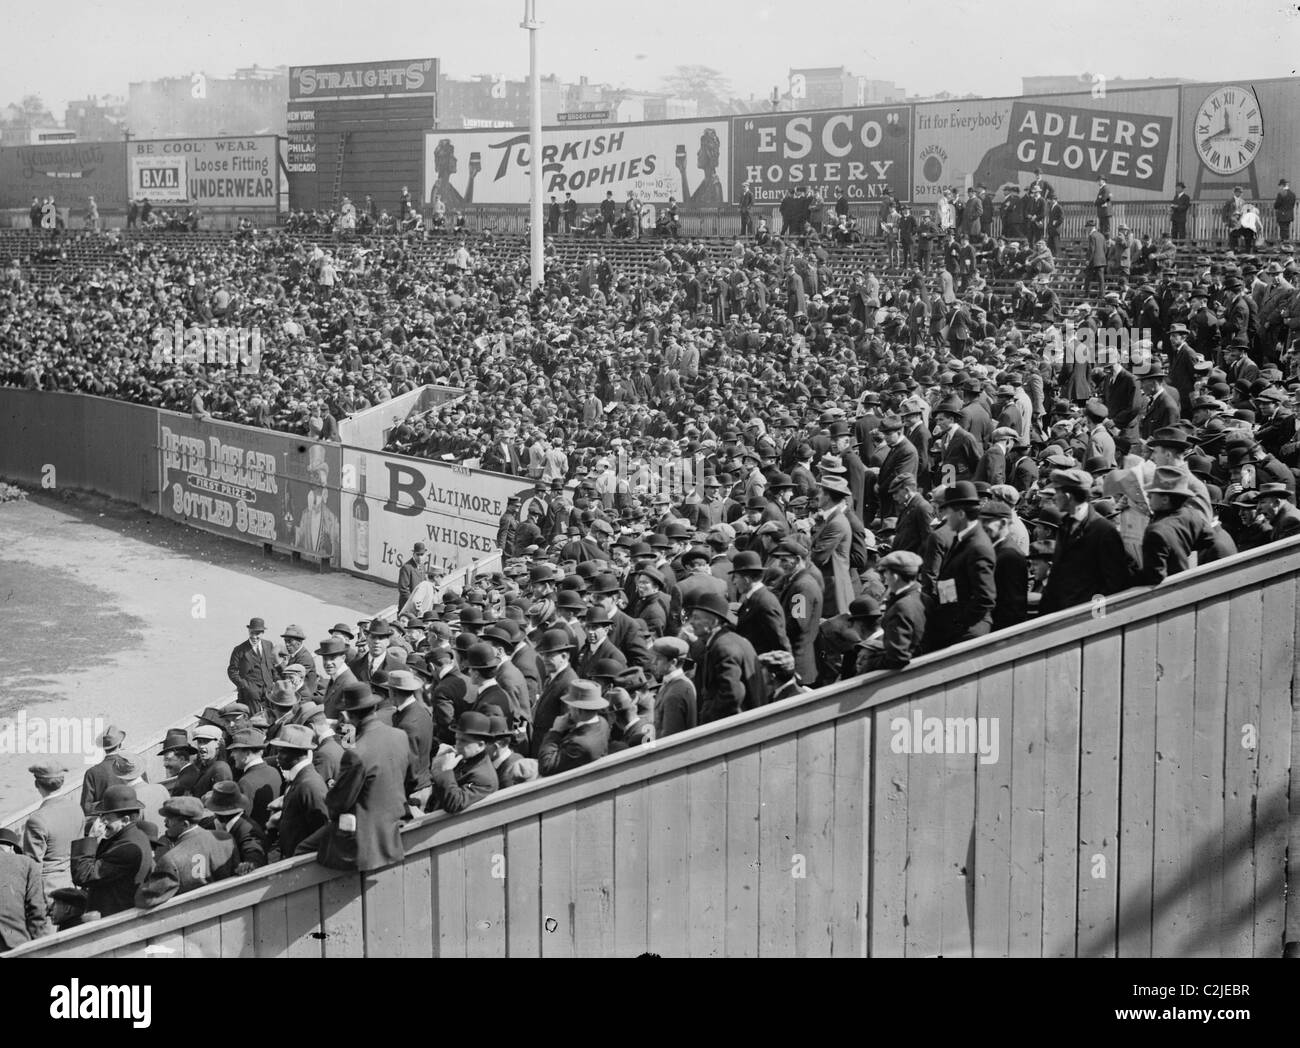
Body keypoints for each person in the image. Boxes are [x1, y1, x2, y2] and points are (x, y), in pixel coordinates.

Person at [314, 682, 415, 872]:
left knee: (302, 847)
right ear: (374, 707)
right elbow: (411, 777)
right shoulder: (399, 735)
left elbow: (337, 804)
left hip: (367, 843)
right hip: (394, 825)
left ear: (347, 715)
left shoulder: (356, 753)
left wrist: (334, 790)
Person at [1039, 468, 1132, 614]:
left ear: (1068, 496)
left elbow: (1114, 583)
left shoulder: (1103, 531)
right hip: (1061, 616)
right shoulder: (1066, 524)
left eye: (1057, 492)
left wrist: (1095, 619)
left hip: (1085, 621)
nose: (1054, 498)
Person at [922, 481, 996, 652]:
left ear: (961, 514)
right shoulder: (962, 537)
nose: (945, 516)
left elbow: (985, 598)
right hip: (953, 624)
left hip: (967, 632)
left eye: (948, 511)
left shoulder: (978, 546)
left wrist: (959, 623)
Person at [135, 797, 237, 908]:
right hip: (231, 907)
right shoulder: (225, 839)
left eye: (169, 819)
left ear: (185, 824)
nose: (165, 822)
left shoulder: (171, 859)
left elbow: (148, 899)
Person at [70, 785, 154, 917]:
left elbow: (82, 875)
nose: (102, 821)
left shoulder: (127, 849)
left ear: (125, 820)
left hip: (116, 920)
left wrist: (91, 838)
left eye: (107, 817)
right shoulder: (135, 836)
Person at [687, 592, 766, 722]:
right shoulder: (727, 640)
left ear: (713, 622)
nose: (691, 622)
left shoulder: (723, 647)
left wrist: (708, 719)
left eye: (696, 618)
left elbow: (732, 694)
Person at [265, 725, 329, 860]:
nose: (278, 757)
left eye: (282, 752)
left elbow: (323, 829)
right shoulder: (298, 779)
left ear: (298, 753)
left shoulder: (309, 784)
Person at [21, 760, 83, 898]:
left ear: (37, 784)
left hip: (48, 891)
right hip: (74, 884)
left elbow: (33, 866)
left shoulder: (37, 820)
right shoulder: (76, 808)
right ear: (62, 781)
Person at [863, 550, 926, 671]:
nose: (885, 579)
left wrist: (870, 664)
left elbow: (898, 657)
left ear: (895, 577)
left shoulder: (901, 607)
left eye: (886, 574)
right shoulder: (921, 596)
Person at [426, 711, 500, 813]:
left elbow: (454, 804)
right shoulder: (466, 759)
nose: (457, 745)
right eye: (456, 740)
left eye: (463, 741)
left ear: (480, 745)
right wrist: (438, 766)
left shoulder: (484, 778)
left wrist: (446, 771)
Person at [538, 681, 612, 775]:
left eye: (571, 705)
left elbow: (546, 766)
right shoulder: (602, 722)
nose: (568, 708)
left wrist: (555, 731)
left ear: (578, 710)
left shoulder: (579, 744)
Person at [0, 828, 50, 952]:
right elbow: (37, 910)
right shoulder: (26, 864)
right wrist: (42, 947)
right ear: (12, 849)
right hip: (14, 944)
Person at [227, 616, 278, 715]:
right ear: (248, 631)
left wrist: (276, 682)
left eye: (257, 633)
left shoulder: (269, 645)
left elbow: (273, 666)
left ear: (263, 633)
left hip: (268, 691)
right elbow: (232, 671)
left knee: (271, 717)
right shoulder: (239, 650)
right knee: (254, 719)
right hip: (250, 694)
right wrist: (245, 686)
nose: (254, 636)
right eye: (252, 633)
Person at [80, 723, 128, 815]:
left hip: (107, 821)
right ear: (120, 745)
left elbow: (86, 808)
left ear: (104, 748)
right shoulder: (134, 764)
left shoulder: (92, 772)